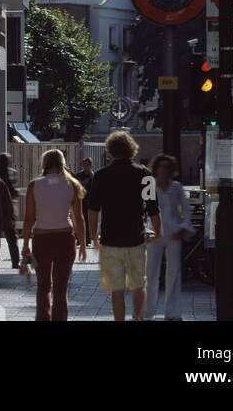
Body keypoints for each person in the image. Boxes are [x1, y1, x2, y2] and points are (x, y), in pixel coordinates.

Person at [86, 129, 160, 321]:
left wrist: (94, 237)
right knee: (138, 285)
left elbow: (92, 210)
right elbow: (153, 208)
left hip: (110, 240)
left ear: (110, 150)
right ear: (132, 149)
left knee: (116, 290)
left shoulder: (101, 176)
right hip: (136, 237)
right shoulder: (145, 174)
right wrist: (158, 232)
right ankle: (138, 318)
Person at [20, 148, 87, 321]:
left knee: (43, 287)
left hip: (41, 240)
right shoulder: (72, 185)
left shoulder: (34, 185)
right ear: (62, 163)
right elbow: (79, 218)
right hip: (65, 239)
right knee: (61, 288)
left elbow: (29, 219)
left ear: (44, 163)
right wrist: (83, 244)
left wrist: (26, 244)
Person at [143, 153, 193, 322]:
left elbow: (186, 209)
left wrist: (184, 226)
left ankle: (172, 312)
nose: (163, 170)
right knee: (151, 273)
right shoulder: (149, 186)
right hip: (154, 232)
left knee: (174, 273)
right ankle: (147, 312)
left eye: (167, 167)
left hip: (173, 233)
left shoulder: (176, 187)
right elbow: (142, 210)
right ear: (155, 168)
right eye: (161, 167)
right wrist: (144, 230)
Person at [0, 152, 21, 268]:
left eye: (7, 160)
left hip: (10, 209)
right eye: (3, 160)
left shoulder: (13, 173)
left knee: (12, 236)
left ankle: (15, 262)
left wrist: (15, 192)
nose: (6, 162)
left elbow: (14, 189)